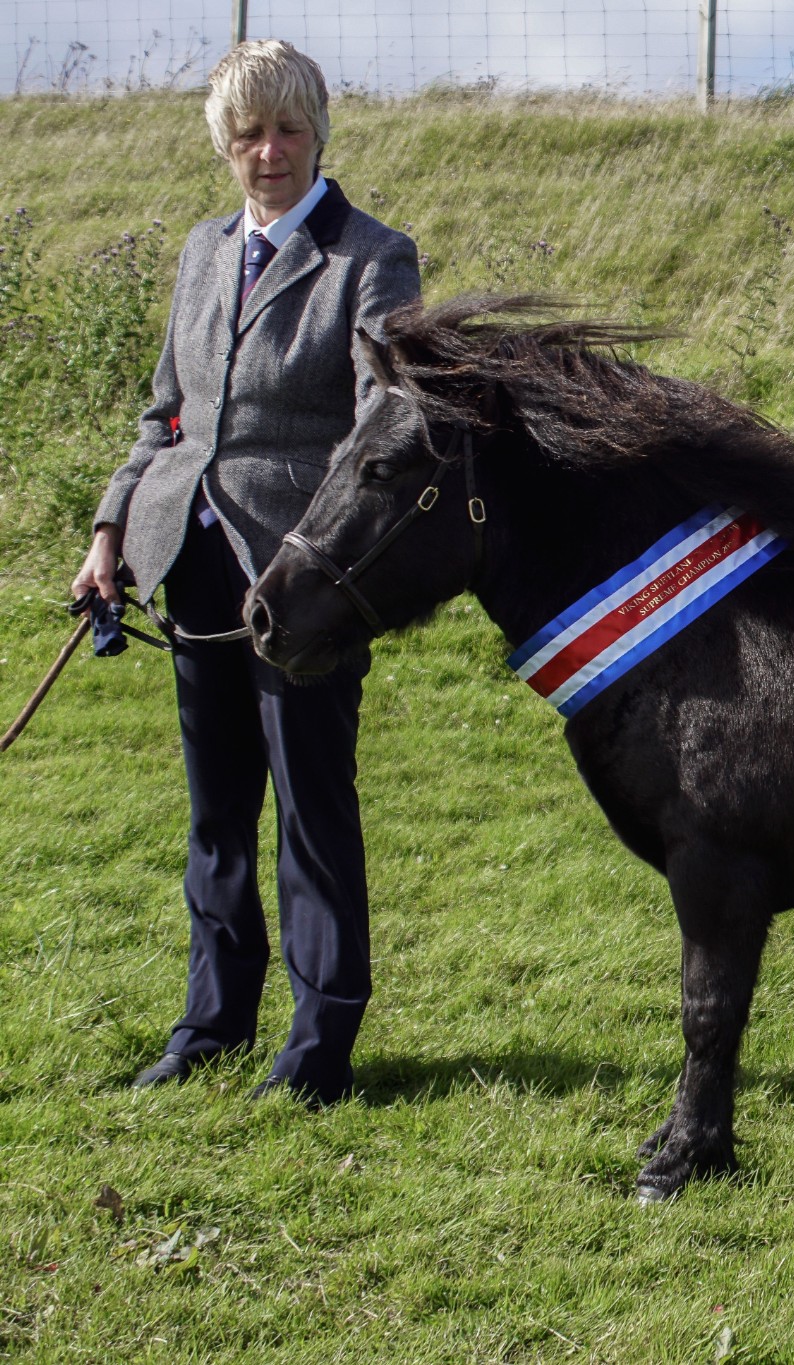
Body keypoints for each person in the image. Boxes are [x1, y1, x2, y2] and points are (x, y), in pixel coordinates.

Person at [72, 40, 420, 1106]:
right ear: (222, 143)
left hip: (306, 577)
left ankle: (318, 1050)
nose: (266, 151)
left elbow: (384, 430)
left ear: (318, 131)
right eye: (246, 133)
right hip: (190, 560)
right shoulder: (201, 251)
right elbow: (167, 418)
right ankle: (209, 1027)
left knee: (310, 805)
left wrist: (321, 554)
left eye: (285, 129)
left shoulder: (373, 256)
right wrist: (108, 531)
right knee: (217, 809)